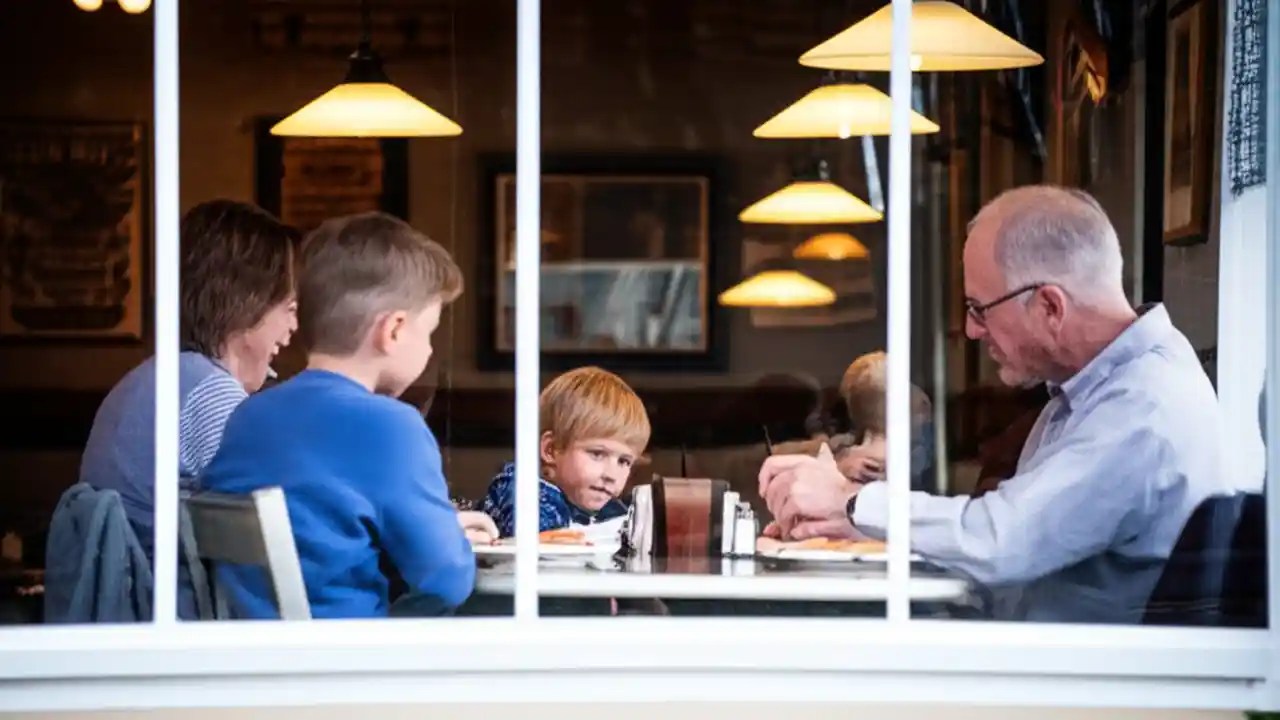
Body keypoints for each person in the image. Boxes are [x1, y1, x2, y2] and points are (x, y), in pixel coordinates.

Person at [759, 185, 1235, 623]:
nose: (970, 330)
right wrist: (850, 525)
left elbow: (1000, 542)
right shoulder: (1087, 393)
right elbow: (1003, 552)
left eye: (979, 308)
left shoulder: (1142, 406)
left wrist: (854, 502)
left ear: (1050, 306)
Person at [199, 211, 492, 619]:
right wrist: (450, 540)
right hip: (347, 663)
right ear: (393, 330)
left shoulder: (249, 416)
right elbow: (446, 579)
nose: (428, 350)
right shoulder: (393, 426)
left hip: (257, 664)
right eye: (428, 333)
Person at [79, 199, 300, 560]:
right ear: (246, 302)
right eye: (289, 309)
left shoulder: (156, 378)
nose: (292, 330)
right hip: (178, 611)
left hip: (138, 608)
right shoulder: (207, 391)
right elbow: (280, 529)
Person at [481, 366, 650, 537]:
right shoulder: (522, 491)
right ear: (551, 450)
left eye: (624, 461)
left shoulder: (610, 509)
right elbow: (543, 547)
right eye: (597, 454)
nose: (611, 475)